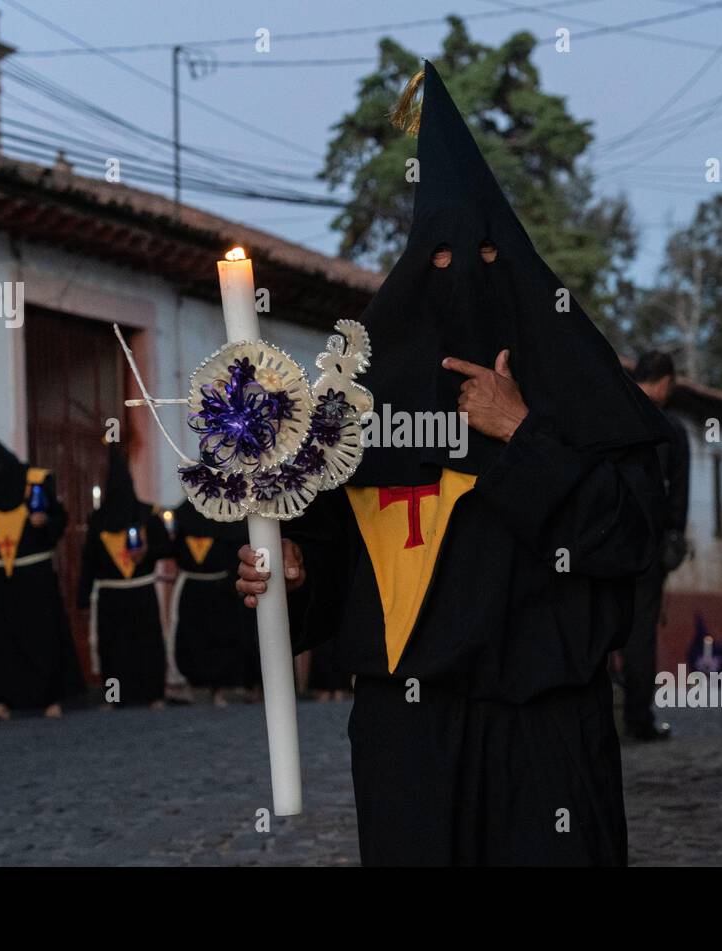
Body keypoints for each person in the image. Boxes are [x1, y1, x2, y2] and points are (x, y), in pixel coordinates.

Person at [236, 61, 668, 865]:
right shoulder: (358, 410)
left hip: (544, 725)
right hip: (409, 730)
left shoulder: (579, 394)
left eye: (485, 261)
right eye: (435, 264)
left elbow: (632, 539)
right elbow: (328, 563)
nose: (459, 279)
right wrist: (293, 577)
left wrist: (524, 432)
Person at [0, 418, 83, 721]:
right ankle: (0, 701)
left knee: (42, 637)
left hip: (35, 575)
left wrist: (45, 525)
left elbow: (61, 518)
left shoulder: (37, 481)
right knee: (1, 643)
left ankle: (50, 699)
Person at [622, 351, 689, 741]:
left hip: (602, 540)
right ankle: (637, 718)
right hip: (647, 546)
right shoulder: (671, 428)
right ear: (665, 382)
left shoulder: (611, 410)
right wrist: (673, 537)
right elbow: (677, 498)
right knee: (640, 631)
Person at [78, 444, 168, 709]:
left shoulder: (148, 514)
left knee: (146, 644)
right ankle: (115, 697)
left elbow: (166, 547)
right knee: (112, 648)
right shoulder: (98, 520)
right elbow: (90, 560)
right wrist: (83, 597)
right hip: (111, 593)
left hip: (140, 589)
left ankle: (153, 695)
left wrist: (147, 554)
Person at [167, 501, 258, 707]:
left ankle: (219, 687)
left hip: (220, 588)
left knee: (222, 637)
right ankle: (196, 685)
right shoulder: (184, 515)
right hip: (197, 587)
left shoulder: (226, 512)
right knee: (192, 637)